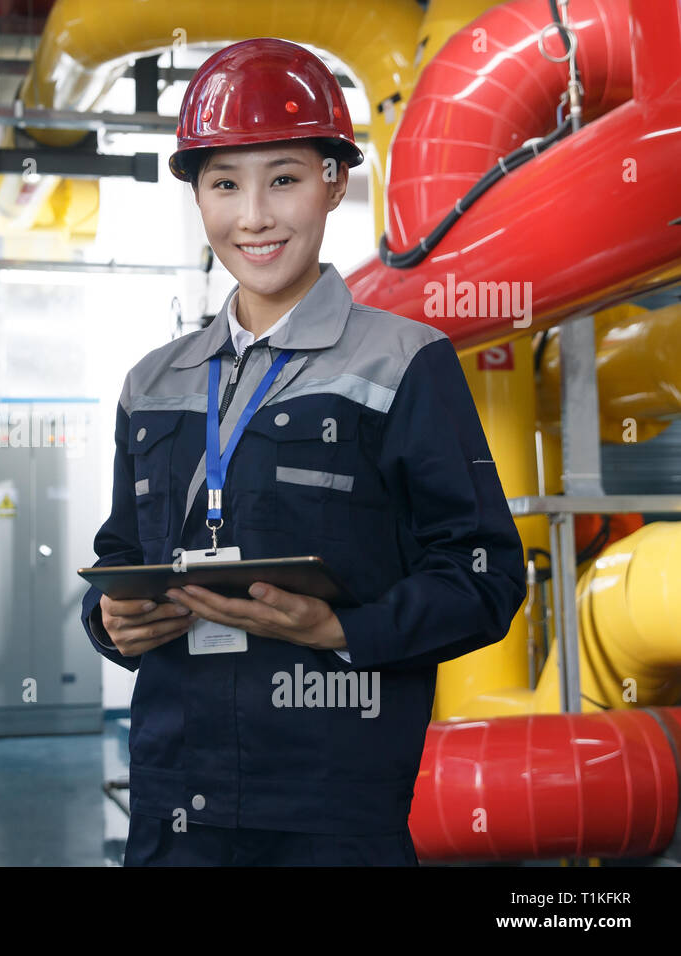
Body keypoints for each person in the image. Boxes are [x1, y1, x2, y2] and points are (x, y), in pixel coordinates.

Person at [80, 38, 525, 867]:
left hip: (330, 807)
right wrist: (112, 622)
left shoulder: (404, 363)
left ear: (333, 181)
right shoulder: (154, 382)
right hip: (177, 800)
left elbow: (484, 577)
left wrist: (341, 629)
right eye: (224, 184)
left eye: (283, 178)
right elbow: (120, 556)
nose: (252, 215)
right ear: (198, 196)